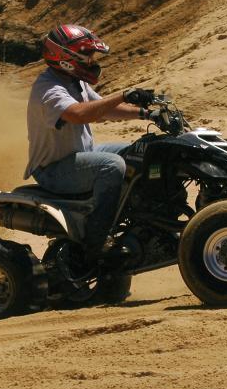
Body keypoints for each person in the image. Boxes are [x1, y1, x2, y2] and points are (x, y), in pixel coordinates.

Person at [24, 24, 153, 264]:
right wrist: (124, 94)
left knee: (141, 151)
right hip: (54, 169)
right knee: (112, 166)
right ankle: (96, 240)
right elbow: (78, 114)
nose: (93, 60)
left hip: (80, 155)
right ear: (66, 58)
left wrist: (146, 113)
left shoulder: (75, 81)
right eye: (88, 55)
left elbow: (106, 109)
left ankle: (141, 219)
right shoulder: (48, 88)